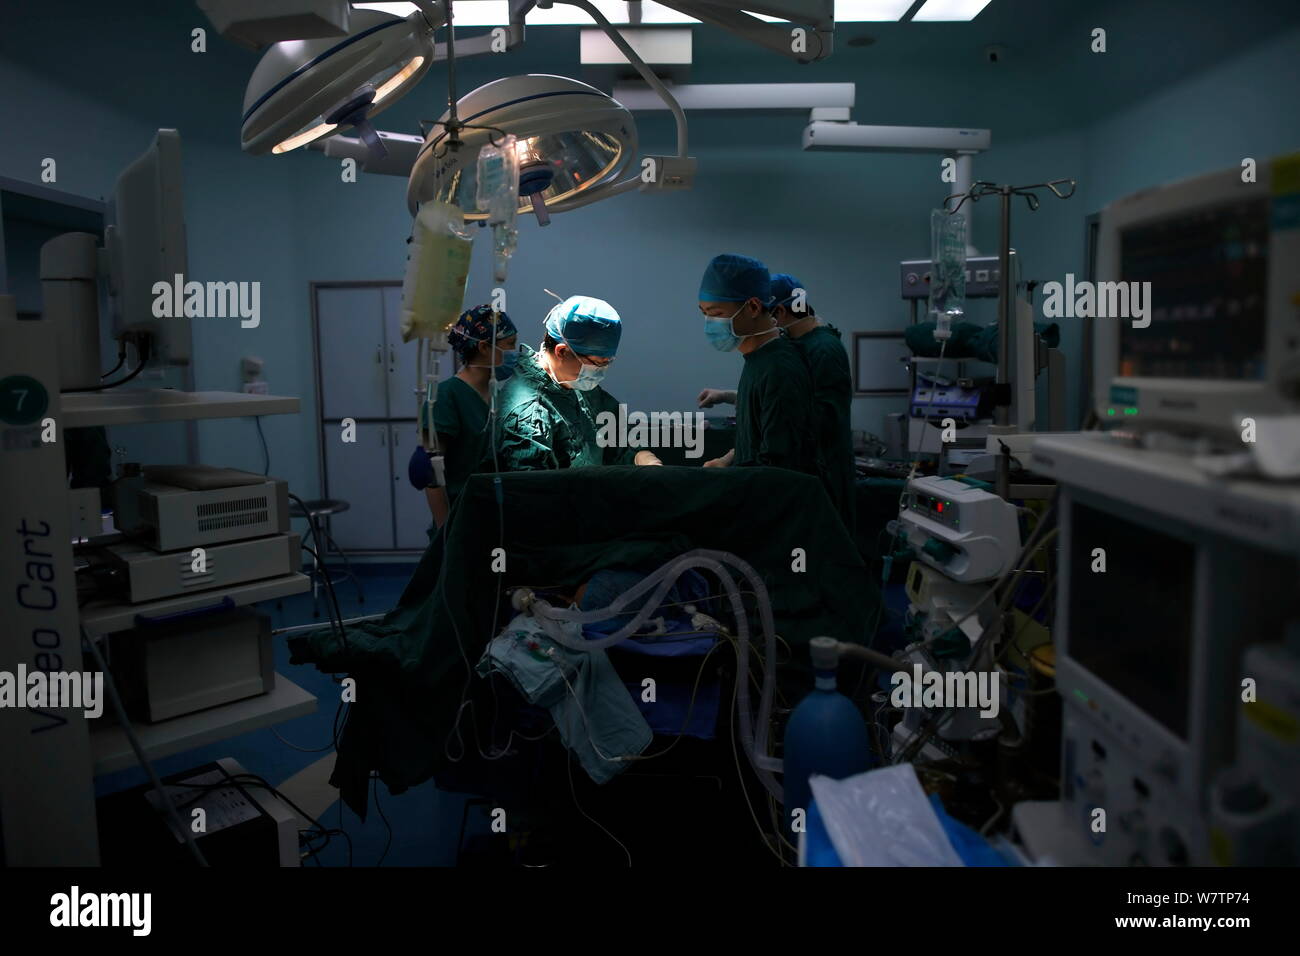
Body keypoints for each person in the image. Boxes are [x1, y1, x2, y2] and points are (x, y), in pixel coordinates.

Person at [496, 295, 663, 470]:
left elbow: (614, 437)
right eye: (598, 363)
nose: (601, 371)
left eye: (608, 362)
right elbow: (533, 492)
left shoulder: (574, 382)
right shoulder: (527, 416)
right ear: (562, 352)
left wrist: (639, 457)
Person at [695, 254, 819, 476]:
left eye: (716, 314)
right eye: (704, 313)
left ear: (753, 307)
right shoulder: (757, 359)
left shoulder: (780, 369)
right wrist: (727, 460)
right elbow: (757, 433)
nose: (709, 323)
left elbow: (776, 470)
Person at [412, 304, 518, 529]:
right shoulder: (444, 397)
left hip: (499, 519)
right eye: (510, 344)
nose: (515, 352)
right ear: (484, 347)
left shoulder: (500, 394)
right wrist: (446, 535)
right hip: (461, 522)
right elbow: (432, 478)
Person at [768, 273, 857, 533]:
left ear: (781, 311)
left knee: (823, 549)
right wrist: (730, 396)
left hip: (825, 470)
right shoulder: (798, 343)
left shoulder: (824, 349)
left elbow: (824, 417)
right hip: (808, 468)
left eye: (767, 314)